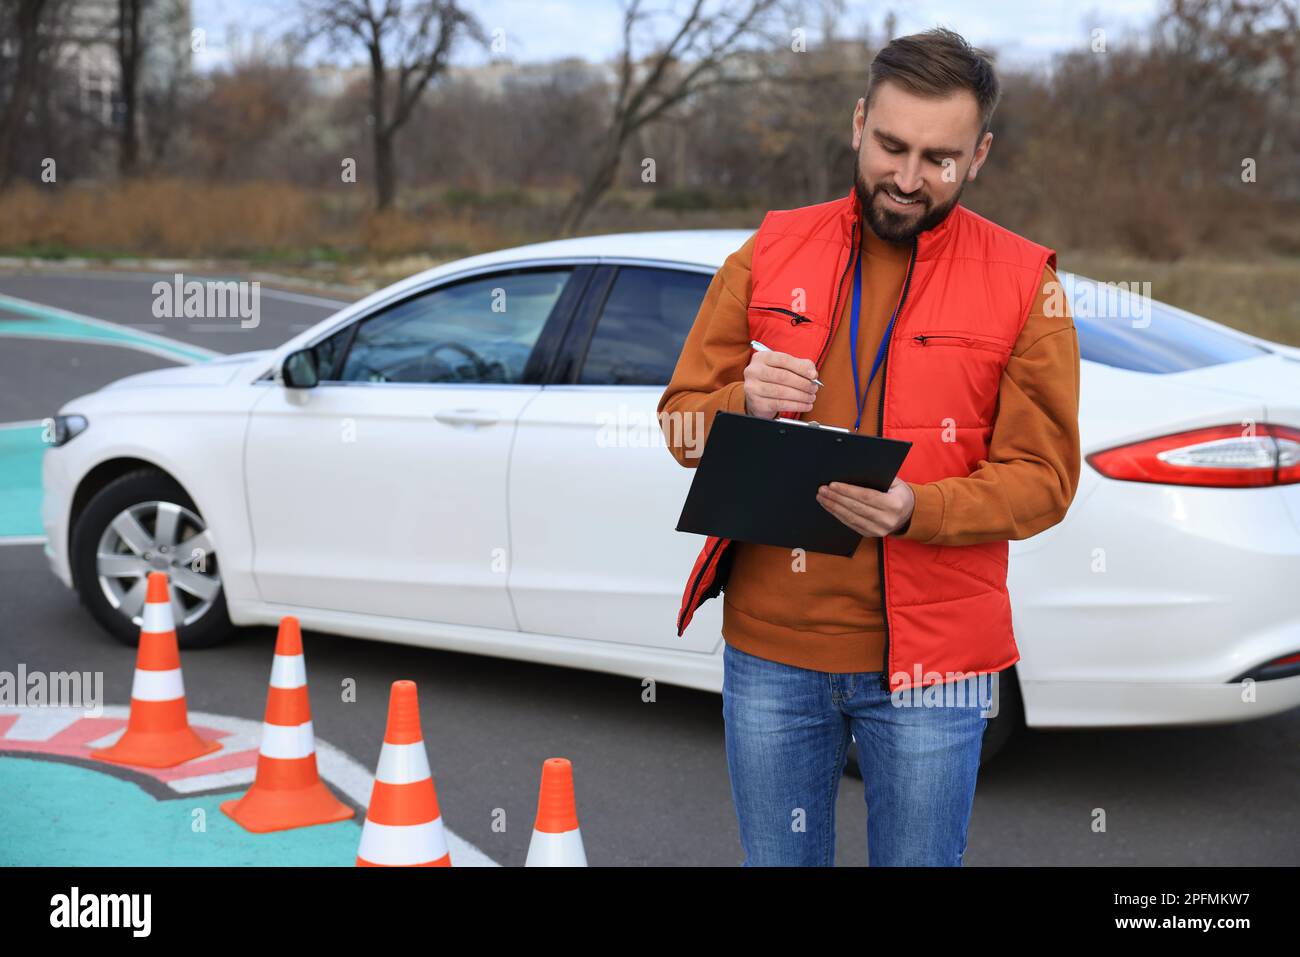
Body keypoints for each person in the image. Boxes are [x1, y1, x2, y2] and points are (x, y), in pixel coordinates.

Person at [657, 27, 1081, 866]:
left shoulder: (1028, 282)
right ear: (858, 122)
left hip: (940, 666)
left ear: (980, 154)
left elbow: (1046, 479)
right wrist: (744, 400)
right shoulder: (770, 250)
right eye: (891, 145)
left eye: (940, 157)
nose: (908, 177)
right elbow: (678, 425)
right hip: (771, 654)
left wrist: (919, 507)